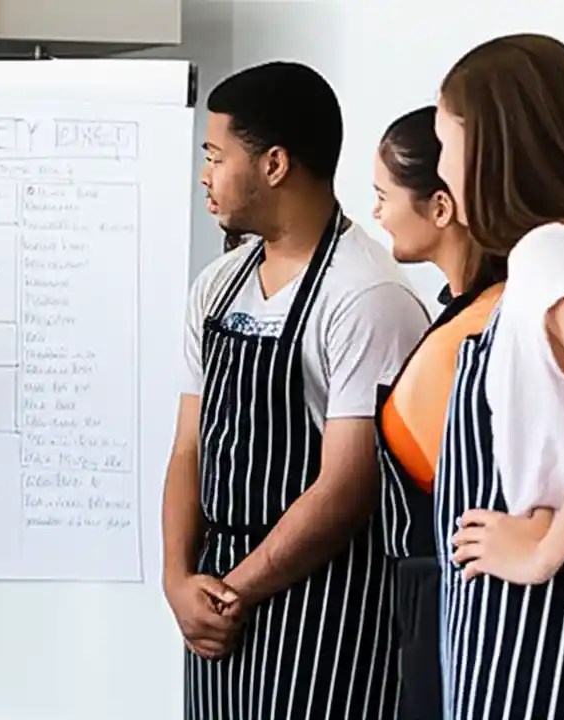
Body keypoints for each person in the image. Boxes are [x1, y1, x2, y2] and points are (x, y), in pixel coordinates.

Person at [161, 61, 429, 720]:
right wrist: (178, 583)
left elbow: (348, 486)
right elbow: (187, 450)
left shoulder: (366, 294)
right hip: (217, 601)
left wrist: (233, 593)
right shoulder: (218, 285)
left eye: (217, 156)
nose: (206, 174)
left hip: (327, 603)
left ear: (275, 164)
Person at [433, 34, 564, 718]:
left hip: (552, 620)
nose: (441, 168)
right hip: (546, 617)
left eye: (446, 143)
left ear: (495, 144)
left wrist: (543, 553)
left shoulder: (550, 252)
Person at [370, 105, 508, 719]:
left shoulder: (486, 324)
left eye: (382, 195)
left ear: (441, 207)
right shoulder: (462, 310)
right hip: (432, 600)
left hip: (470, 608)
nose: (375, 212)